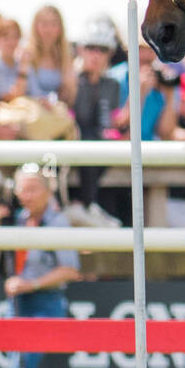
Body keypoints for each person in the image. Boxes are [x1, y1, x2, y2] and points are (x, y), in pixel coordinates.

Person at [0, 165, 80, 368]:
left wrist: (32, 284)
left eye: (32, 189)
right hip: (16, 302)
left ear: (47, 191)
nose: (26, 196)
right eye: (22, 189)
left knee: (24, 366)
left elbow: (71, 270)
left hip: (45, 301)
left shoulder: (57, 222)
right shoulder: (14, 220)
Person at [69, 16, 123, 217]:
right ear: (81, 49)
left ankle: (87, 204)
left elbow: (113, 121)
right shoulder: (71, 78)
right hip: (74, 140)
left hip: (100, 145)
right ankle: (86, 203)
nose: (96, 55)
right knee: (89, 138)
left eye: (102, 49)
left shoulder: (112, 84)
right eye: (91, 48)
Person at [21, 5, 77, 106]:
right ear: (35, 26)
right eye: (44, 24)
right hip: (32, 112)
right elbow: (31, 91)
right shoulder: (26, 53)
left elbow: (69, 96)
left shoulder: (66, 57)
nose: (48, 30)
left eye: (53, 24)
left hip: (56, 112)